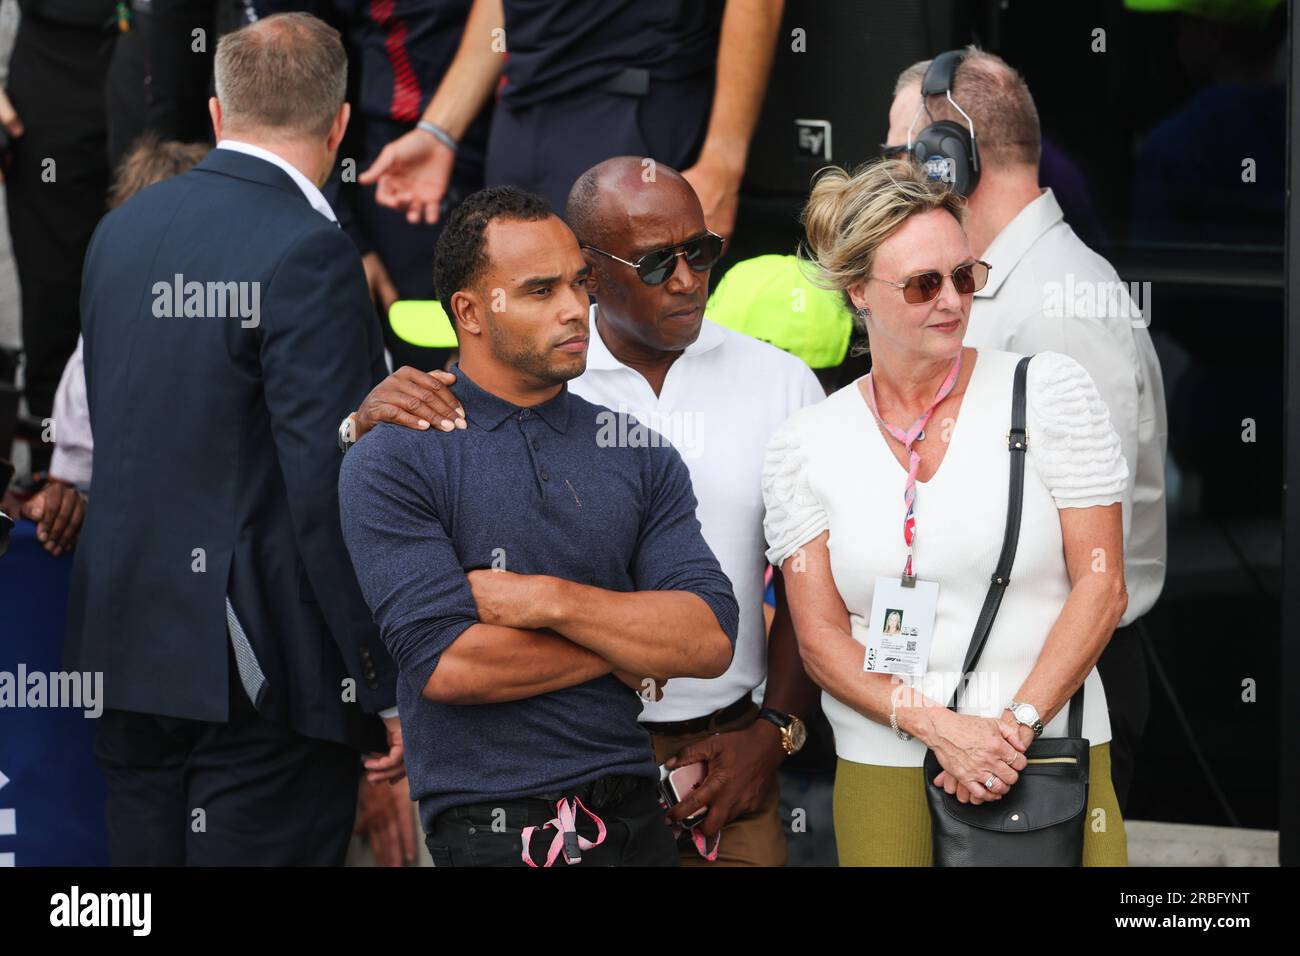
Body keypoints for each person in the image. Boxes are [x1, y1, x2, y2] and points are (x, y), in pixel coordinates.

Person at [349, 156, 825, 866]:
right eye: (542, 290)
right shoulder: (407, 443)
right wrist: (628, 652)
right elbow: (449, 666)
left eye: (700, 252)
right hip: (498, 819)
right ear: (472, 312)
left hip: (680, 775)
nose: (575, 308)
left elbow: (708, 636)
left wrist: (542, 600)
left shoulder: (654, 444)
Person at [65, 12, 402, 866]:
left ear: (217, 115)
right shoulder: (313, 251)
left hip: (124, 650)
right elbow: (330, 481)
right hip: (262, 678)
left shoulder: (119, 234)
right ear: (341, 124)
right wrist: (380, 679)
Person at [762, 159, 1130, 866]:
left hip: (1047, 754)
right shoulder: (805, 444)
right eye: (923, 284)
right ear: (855, 290)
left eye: (966, 276)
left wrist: (1008, 731)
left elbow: (1102, 584)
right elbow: (819, 640)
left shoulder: (1047, 393)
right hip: (883, 758)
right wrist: (940, 730)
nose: (954, 302)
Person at [887, 47, 1167, 813]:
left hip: (1048, 688)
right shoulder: (1006, 286)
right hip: (992, 683)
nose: (886, 177)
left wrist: (1008, 725)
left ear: (946, 159)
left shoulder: (1060, 308)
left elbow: (1085, 557)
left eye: (896, 153)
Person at [356, 0, 784, 240]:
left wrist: (723, 162)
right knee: (515, 344)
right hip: (520, 122)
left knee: (622, 349)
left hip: (631, 117)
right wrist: (440, 130)